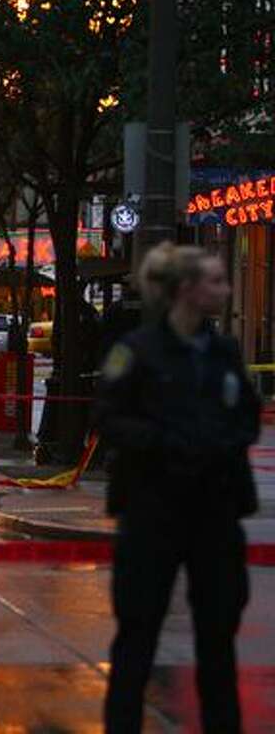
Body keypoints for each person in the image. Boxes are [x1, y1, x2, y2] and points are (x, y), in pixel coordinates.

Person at [95, 242, 260, 733]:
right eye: (215, 281)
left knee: (218, 639)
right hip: (152, 510)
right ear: (186, 290)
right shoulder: (137, 351)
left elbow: (248, 416)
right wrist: (164, 443)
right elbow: (108, 416)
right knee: (137, 636)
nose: (225, 290)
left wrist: (220, 443)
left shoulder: (225, 352)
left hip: (215, 509)